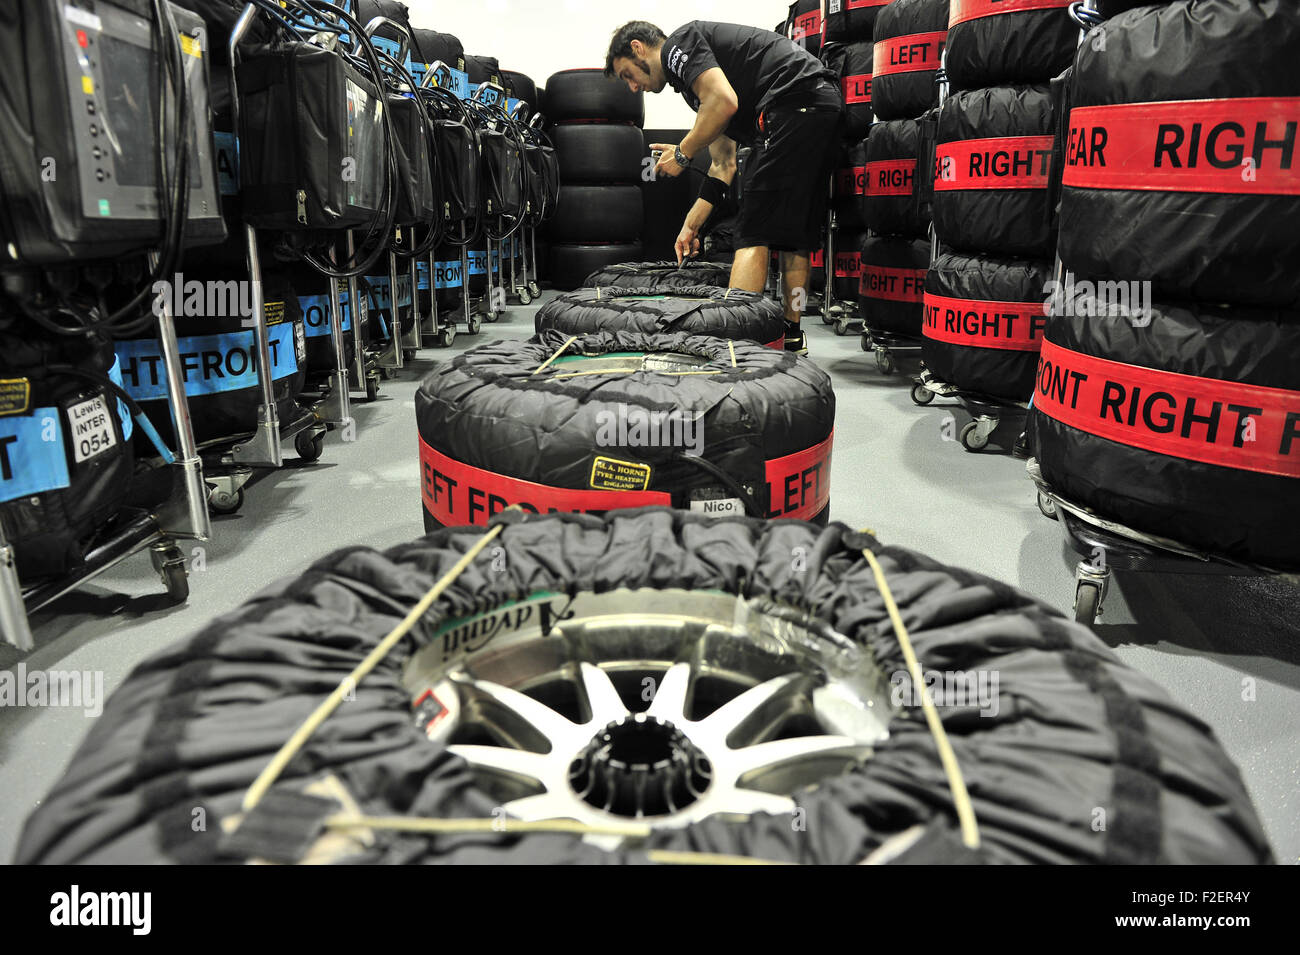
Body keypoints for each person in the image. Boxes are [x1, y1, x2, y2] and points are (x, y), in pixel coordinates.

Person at [605, 20, 843, 354]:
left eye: (628, 75)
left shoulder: (678, 45)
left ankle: (736, 345)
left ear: (637, 48)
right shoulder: (697, 83)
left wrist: (684, 154)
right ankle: (790, 335)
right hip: (820, 103)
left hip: (792, 104)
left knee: (752, 232)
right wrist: (691, 226)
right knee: (795, 236)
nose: (632, 87)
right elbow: (723, 163)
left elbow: (724, 101)